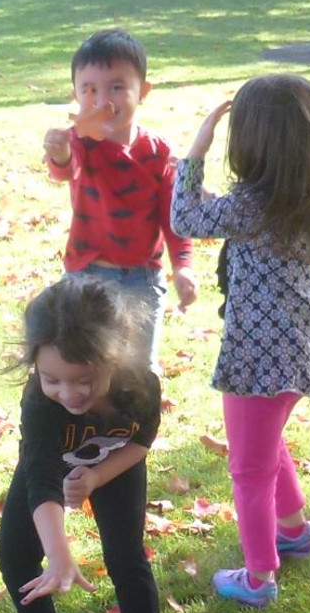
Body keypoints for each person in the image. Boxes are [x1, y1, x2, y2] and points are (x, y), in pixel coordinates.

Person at [170, 75, 310, 610]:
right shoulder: (306, 196)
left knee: (248, 467)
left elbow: (184, 218)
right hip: (299, 349)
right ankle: (294, 531)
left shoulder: (250, 206)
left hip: (256, 357)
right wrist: (208, 195)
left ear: (252, 141)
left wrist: (196, 149)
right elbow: (226, 216)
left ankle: (258, 576)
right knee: (268, 442)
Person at [0, 274, 164, 613]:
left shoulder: (138, 385)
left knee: (126, 560)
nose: (68, 394)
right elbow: (42, 482)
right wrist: (59, 555)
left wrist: (96, 479)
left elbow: (141, 444)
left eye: (83, 380)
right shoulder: (40, 404)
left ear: (114, 356)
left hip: (115, 464)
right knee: (13, 551)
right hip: (48, 465)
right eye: (52, 379)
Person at [41, 29, 197, 371]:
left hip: (142, 279)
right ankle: (85, 425)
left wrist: (182, 265)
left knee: (137, 372)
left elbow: (175, 216)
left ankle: (134, 426)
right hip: (87, 276)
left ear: (142, 92)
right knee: (85, 365)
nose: (103, 101)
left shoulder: (158, 153)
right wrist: (59, 152)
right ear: (76, 96)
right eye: (90, 90)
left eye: (117, 87)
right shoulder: (80, 143)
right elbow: (66, 169)